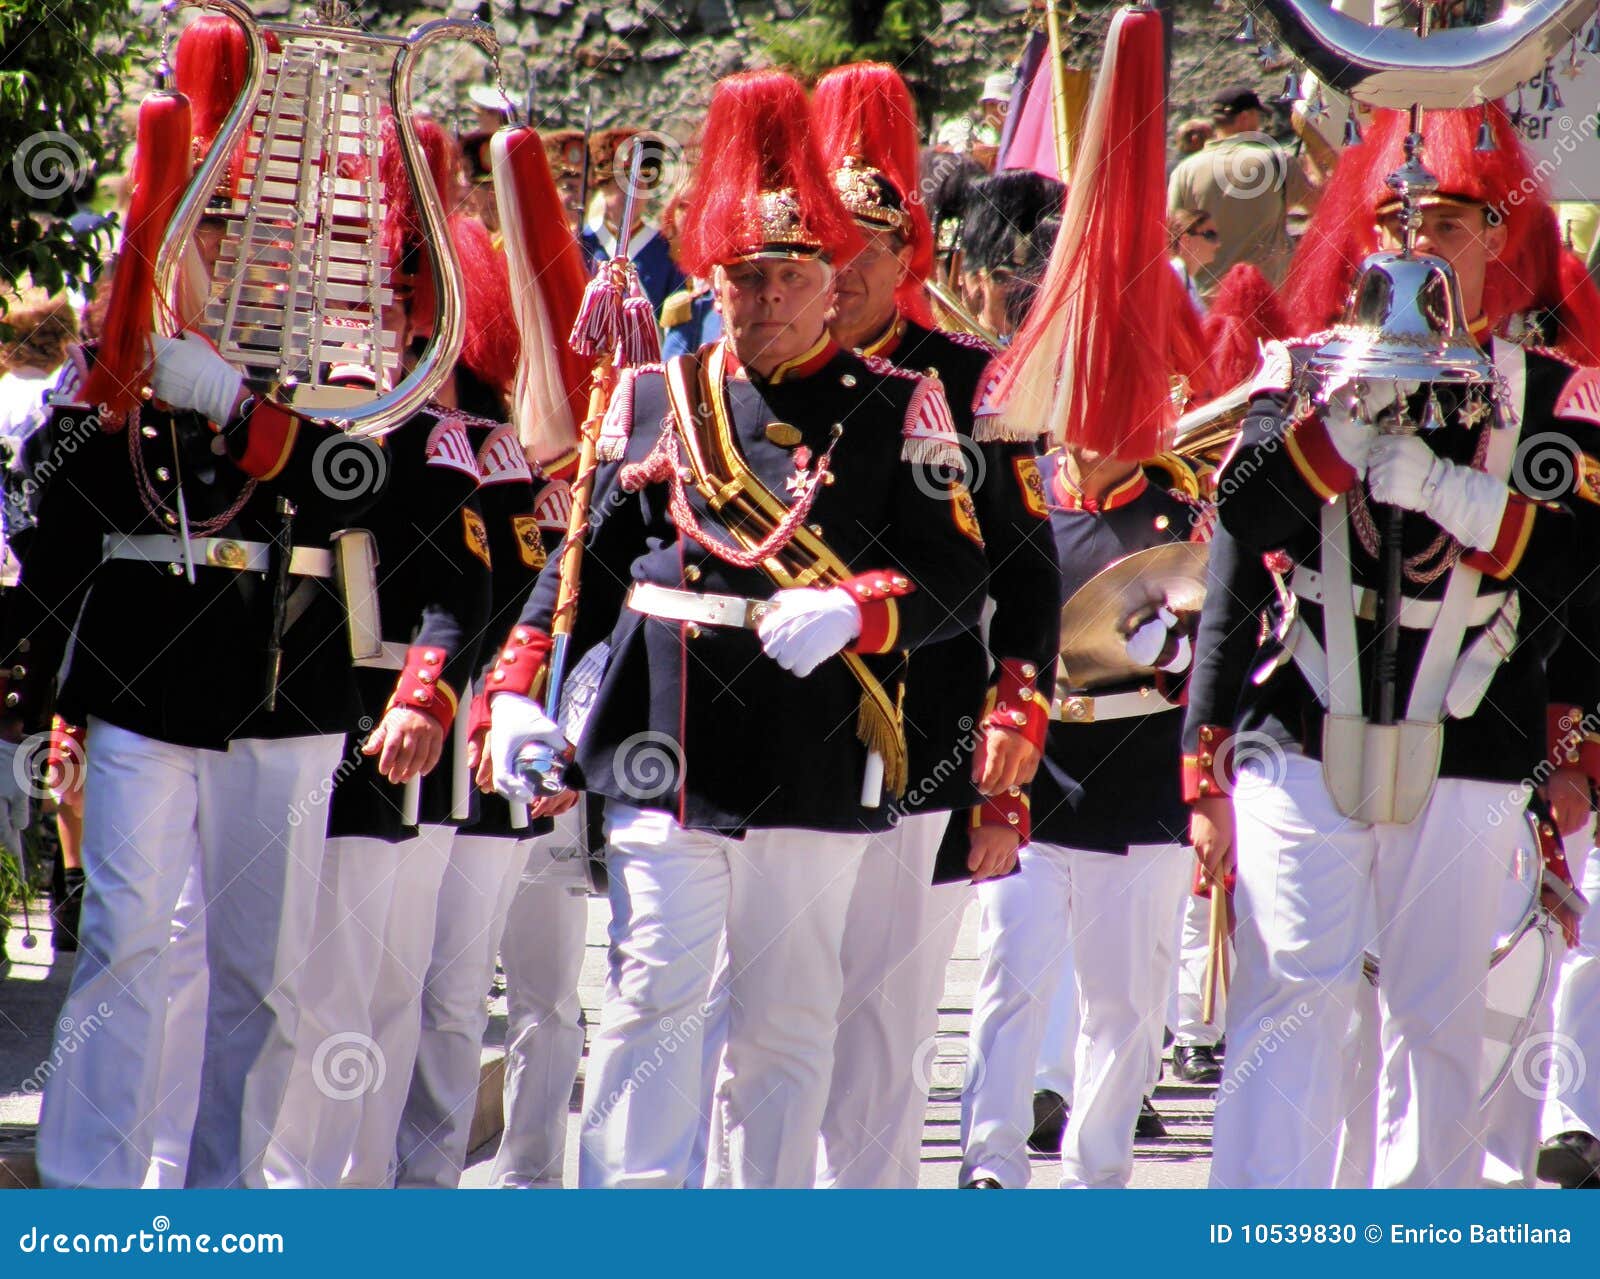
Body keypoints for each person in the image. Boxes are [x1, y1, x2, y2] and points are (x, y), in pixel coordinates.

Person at [483, 68, 990, 1188]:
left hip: (815, 738)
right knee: (650, 992)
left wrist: (861, 607)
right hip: (666, 735)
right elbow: (584, 564)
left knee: (789, 1016)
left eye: (787, 276)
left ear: (832, 281)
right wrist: (518, 685)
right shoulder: (660, 399)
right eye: (742, 277)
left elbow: (960, 578)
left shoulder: (893, 403)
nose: (761, 297)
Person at [1195, 104, 1598, 1190]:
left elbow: (1581, 572)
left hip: (1475, 723)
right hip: (1302, 714)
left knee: (1438, 1006)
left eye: (1447, 228)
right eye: (1396, 226)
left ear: (1492, 239)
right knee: (1292, 990)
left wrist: (1454, 493)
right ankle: (1260, 1226)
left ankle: (1420, 1231)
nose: (1417, 249)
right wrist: (1340, 430)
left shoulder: (1549, 391)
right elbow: (1241, 525)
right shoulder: (1302, 370)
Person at [0, 80, 379, 1187]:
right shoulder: (114, 373)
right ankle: (93, 1185)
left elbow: (365, 495)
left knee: (262, 971)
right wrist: (100, 403)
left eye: (241, 222)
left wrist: (242, 409)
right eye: (205, 218)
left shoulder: (334, 365)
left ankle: (231, 1195)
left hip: (283, 676)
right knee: (123, 942)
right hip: (141, 683)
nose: (225, 244)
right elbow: (54, 541)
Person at [809, 61, 1061, 1190]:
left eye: (872, 250)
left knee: (888, 1018)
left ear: (911, 258)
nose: (848, 271)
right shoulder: (752, 374)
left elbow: (1026, 567)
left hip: (923, 726)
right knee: (759, 1006)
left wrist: (1015, 711)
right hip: (769, 727)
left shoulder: (973, 382)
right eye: (830, 247)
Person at [1166, 86, 1326, 298]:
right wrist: (1316, 157)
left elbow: (1172, 238)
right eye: (1258, 117)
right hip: (1266, 302)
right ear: (1244, 118)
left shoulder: (1185, 171)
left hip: (1206, 305)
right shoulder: (1276, 161)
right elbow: (1323, 205)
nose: (1261, 125)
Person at [580, 128, 686, 314]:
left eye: (642, 179)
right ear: (604, 185)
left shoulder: (666, 249)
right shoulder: (582, 244)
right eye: (624, 180)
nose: (634, 191)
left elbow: (677, 323)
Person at [1169, 208, 1218, 315]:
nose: (1218, 244)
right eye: (1210, 235)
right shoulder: (1176, 272)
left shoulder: (1188, 278)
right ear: (1186, 241)